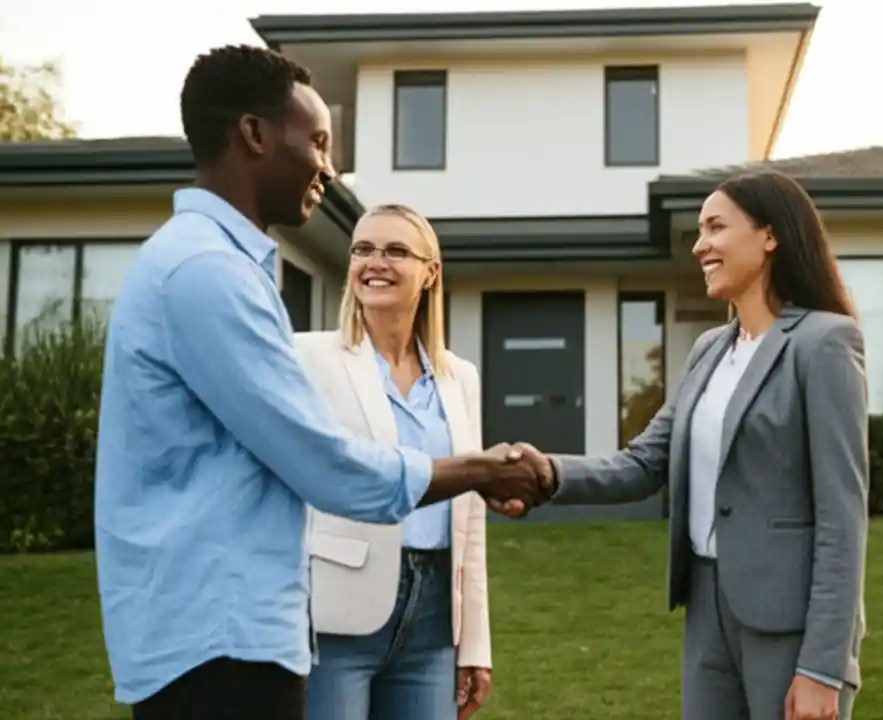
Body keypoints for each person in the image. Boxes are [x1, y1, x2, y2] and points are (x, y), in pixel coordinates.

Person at [93, 45, 550, 720]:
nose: (329, 168)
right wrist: (479, 470)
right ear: (254, 134)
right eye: (317, 142)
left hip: (232, 633)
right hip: (218, 641)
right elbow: (325, 463)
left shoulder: (217, 265)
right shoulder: (206, 273)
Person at [498, 170, 870, 720]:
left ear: (770, 236)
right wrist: (546, 473)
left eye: (716, 227)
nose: (699, 245)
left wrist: (822, 667)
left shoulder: (824, 342)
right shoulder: (709, 349)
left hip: (788, 625)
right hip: (706, 610)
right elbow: (644, 462)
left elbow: (843, 517)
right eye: (699, 230)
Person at [294, 204, 492, 720]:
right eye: (363, 249)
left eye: (396, 251)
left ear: (430, 273)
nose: (375, 262)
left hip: (434, 621)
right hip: (335, 615)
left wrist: (475, 645)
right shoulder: (307, 358)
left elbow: (470, 518)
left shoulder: (460, 378)